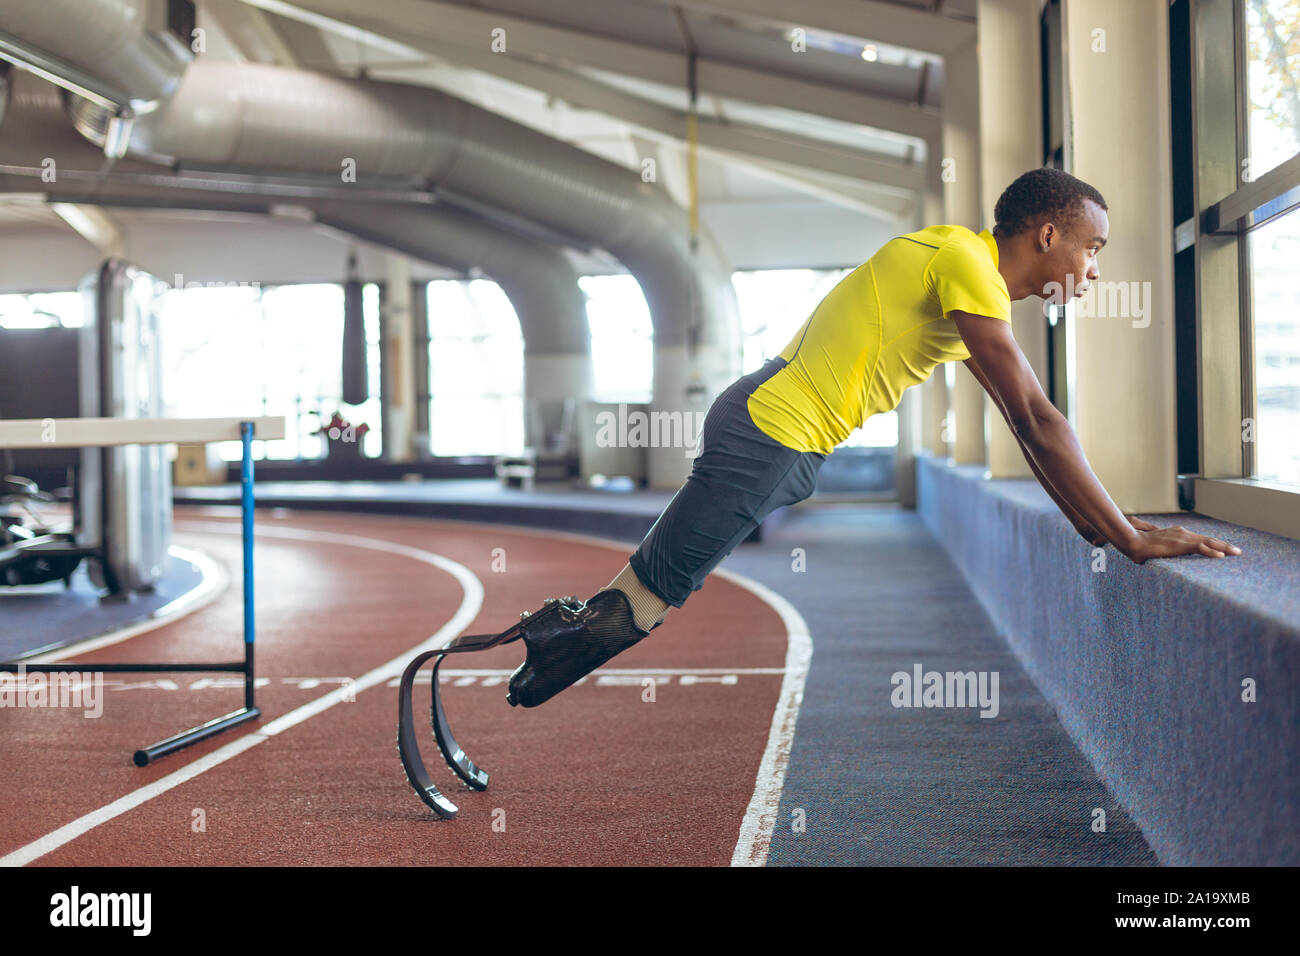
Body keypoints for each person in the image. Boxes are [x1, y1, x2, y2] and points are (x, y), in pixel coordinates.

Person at [504, 167, 1242, 709]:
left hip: (775, 433)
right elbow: (1038, 419)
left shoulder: (966, 276)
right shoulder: (966, 264)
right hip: (772, 430)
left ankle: (513, 664)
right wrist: (1127, 538)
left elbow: (1024, 426)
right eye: (1093, 248)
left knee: (642, 596)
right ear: (1048, 235)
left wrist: (1105, 526)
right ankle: (476, 672)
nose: (1094, 269)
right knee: (641, 604)